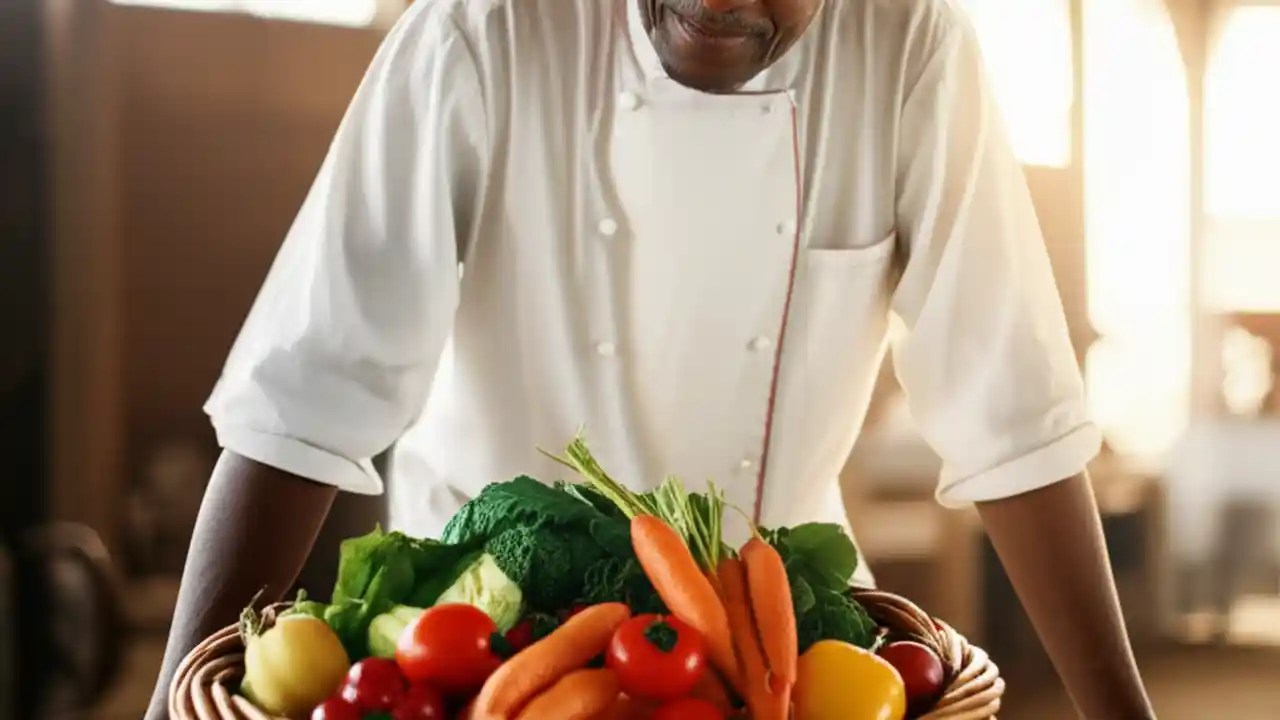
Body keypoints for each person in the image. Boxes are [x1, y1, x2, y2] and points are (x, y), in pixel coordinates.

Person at [147, 0, 1156, 717]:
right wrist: (167, 702)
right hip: (477, 662)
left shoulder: (911, 46)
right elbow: (305, 399)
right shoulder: (481, 33)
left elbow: (1014, 418)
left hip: (776, 662)